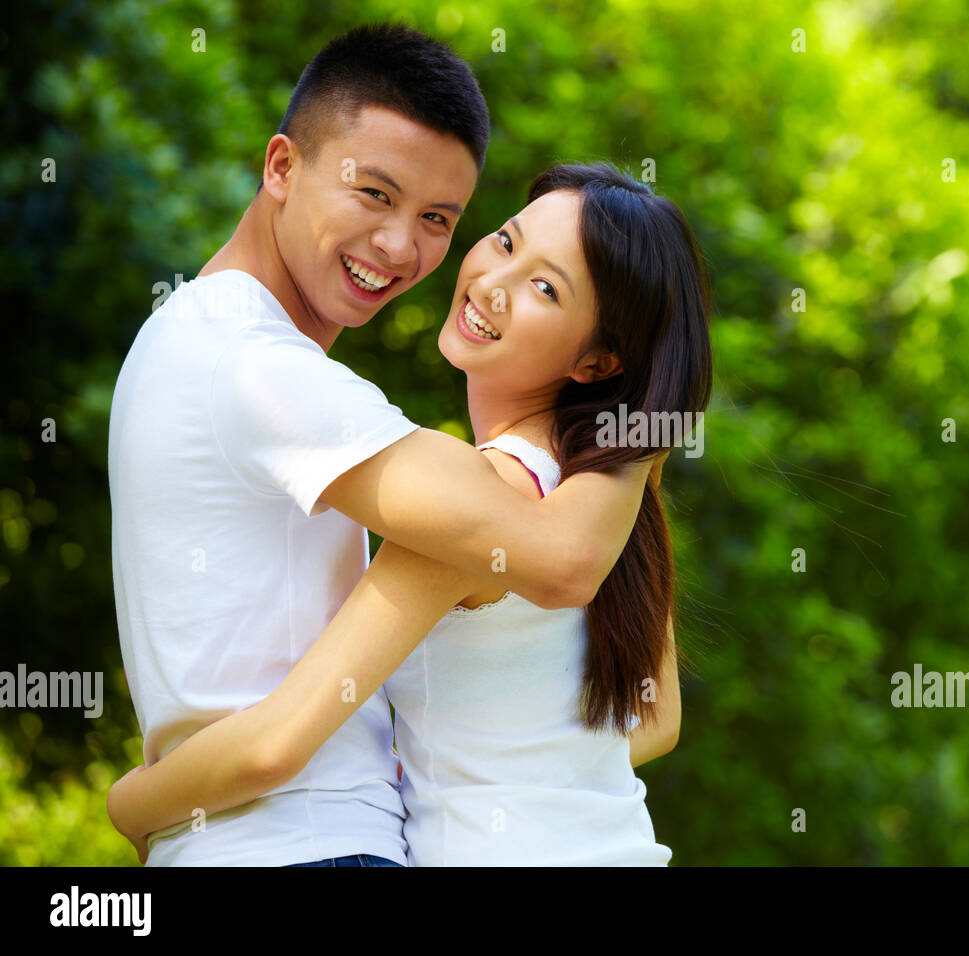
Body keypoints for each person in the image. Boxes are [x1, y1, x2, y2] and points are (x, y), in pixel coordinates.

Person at [107, 25, 656, 867]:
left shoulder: (188, 337)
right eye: (374, 194)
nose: (402, 247)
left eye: (436, 218)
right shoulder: (255, 367)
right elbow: (559, 556)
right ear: (282, 167)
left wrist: (133, 802)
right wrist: (653, 421)